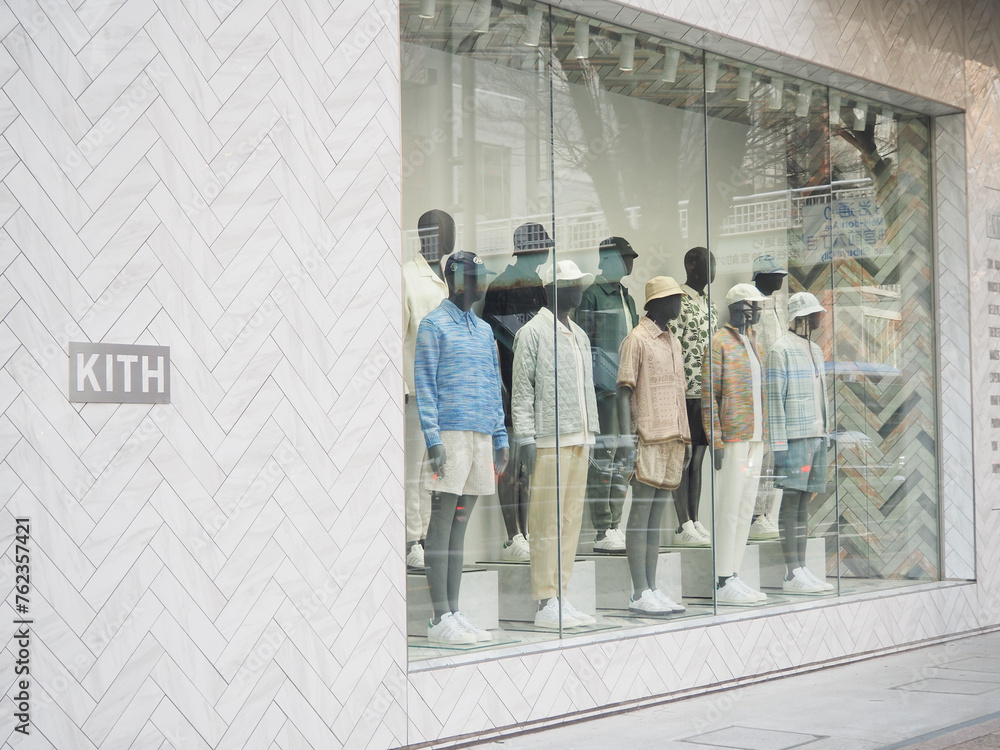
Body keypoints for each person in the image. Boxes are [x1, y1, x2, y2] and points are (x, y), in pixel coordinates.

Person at [415, 251, 510, 644]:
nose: (481, 283)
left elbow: (493, 385)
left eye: (483, 276)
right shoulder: (433, 325)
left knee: (459, 527)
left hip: (480, 437)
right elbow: (424, 384)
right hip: (451, 436)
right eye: (475, 275)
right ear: (455, 277)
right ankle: (439, 618)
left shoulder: (485, 330)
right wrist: (433, 438)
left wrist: (501, 437)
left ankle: (453, 611)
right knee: (441, 527)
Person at [511, 260, 600, 629]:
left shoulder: (577, 333)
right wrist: (526, 438)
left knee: (570, 520)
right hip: (548, 440)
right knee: (546, 521)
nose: (578, 290)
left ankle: (561, 594)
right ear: (553, 289)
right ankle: (546, 600)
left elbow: (585, 388)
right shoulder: (531, 333)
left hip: (580, 435)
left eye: (579, 284)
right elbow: (521, 390)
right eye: (571, 284)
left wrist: (591, 431)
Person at [616, 276, 689, 615]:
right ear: (659, 302)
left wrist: (684, 435)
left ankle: (652, 587)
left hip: (673, 437)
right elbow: (624, 390)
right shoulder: (636, 339)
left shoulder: (673, 341)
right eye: (674, 299)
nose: (679, 304)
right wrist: (625, 440)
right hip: (646, 436)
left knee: (656, 517)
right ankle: (638, 590)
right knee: (641, 514)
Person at [482, 223, 552, 561]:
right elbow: (496, 341)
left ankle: (525, 531)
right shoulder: (501, 286)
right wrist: (504, 387)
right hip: (509, 385)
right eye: (543, 246)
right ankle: (513, 535)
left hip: (534, 385)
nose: (547, 251)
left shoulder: (537, 285)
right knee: (509, 464)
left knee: (528, 465)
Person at [765, 292, 835, 595]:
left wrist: (827, 432)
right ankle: (791, 571)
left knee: (804, 504)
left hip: (817, 435)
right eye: (816, 313)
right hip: (794, 436)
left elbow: (823, 394)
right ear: (803, 316)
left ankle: (801, 568)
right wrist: (778, 444)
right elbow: (774, 401)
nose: (821, 318)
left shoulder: (816, 350)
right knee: (791, 502)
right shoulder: (779, 350)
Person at [704, 284, 769, 605]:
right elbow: (710, 396)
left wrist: (765, 433)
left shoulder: (753, 341)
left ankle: (734, 573)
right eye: (751, 305)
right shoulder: (719, 343)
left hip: (754, 437)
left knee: (745, 508)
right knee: (728, 508)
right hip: (732, 437)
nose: (756, 311)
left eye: (758, 306)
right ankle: (721, 578)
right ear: (736, 307)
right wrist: (715, 438)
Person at [576, 237, 639, 554]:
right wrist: (598, 386)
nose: (631, 263)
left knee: (625, 457)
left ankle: (615, 523)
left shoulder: (626, 297)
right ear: (612, 259)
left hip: (627, 389)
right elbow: (587, 344)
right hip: (605, 392)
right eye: (627, 257)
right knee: (605, 457)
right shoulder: (592, 294)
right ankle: (602, 527)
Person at [402, 210, 451, 569]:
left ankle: (425, 536)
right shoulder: (406, 277)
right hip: (415, 391)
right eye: (445, 231)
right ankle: (409, 539)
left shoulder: (449, 280)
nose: (450, 238)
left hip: (445, 393)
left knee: (434, 471)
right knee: (413, 469)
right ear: (427, 235)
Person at [667, 246, 718, 545]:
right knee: (683, 457)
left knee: (698, 458)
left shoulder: (708, 304)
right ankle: (682, 522)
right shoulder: (681, 302)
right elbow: (672, 345)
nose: (714, 270)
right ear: (691, 266)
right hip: (684, 391)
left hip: (706, 391)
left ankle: (696, 519)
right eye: (709, 264)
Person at [747, 254, 788, 542]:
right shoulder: (752, 307)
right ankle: (754, 515)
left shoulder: (774, 306)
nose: (780, 279)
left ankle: (764, 513)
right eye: (775, 275)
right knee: (759, 458)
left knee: (772, 459)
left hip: (775, 391)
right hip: (759, 393)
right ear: (760, 277)